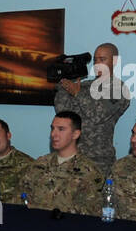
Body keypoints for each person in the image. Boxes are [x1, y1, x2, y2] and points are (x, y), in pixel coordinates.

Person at [53, 41, 128, 173]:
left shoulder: (118, 88)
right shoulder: (84, 85)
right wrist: (64, 87)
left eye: (102, 59)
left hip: (98, 161)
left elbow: (98, 115)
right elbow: (63, 112)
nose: (97, 63)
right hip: (72, 157)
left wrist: (76, 93)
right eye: (95, 60)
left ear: (114, 61)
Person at [20, 111, 104, 214]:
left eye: (61, 129)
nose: (53, 134)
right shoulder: (39, 164)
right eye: (52, 128)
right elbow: (20, 197)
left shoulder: (90, 171)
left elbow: (92, 212)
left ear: (75, 134)